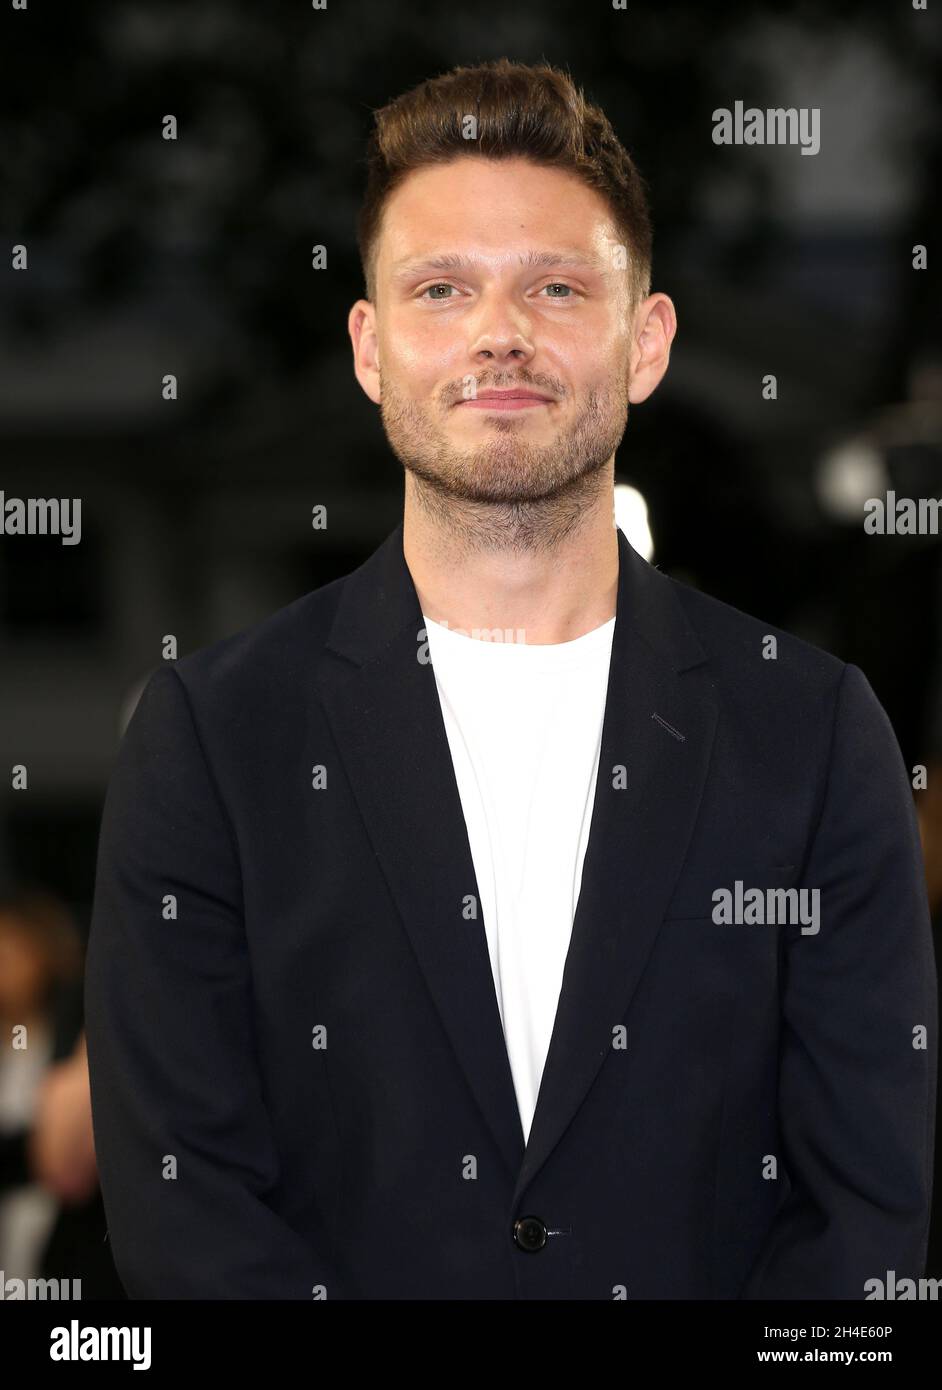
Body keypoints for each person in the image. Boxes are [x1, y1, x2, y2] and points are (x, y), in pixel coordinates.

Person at [84, 58, 937, 1300]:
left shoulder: (810, 734)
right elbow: (184, 1207)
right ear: (371, 349)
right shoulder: (216, 739)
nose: (500, 333)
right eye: (442, 289)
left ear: (645, 342)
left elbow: (862, 1213)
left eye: (554, 286)